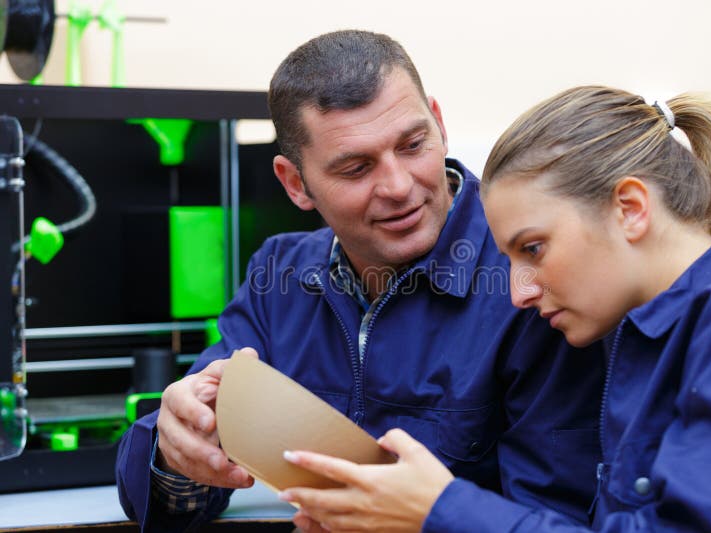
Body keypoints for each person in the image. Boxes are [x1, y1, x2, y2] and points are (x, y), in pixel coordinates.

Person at [115, 31, 606, 531]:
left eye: (413, 145)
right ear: (295, 183)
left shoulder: (534, 280)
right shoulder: (278, 276)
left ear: (438, 123)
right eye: (356, 168)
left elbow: (559, 515)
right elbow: (184, 477)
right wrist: (175, 450)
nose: (398, 186)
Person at [279, 86, 711, 532]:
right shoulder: (633, 334)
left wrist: (441, 509)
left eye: (532, 249)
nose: (518, 293)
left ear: (631, 209)